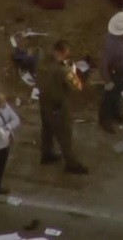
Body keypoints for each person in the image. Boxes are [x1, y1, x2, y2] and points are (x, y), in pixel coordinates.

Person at [36, 40, 88, 174]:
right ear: (62, 53)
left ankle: (46, 154)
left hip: (43, 101)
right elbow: (77, 86)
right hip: (57, 106)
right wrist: (71, 70)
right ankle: (71, 164)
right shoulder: (63, 70)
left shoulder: (42, 62)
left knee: (47, 129)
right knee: (65, 135)